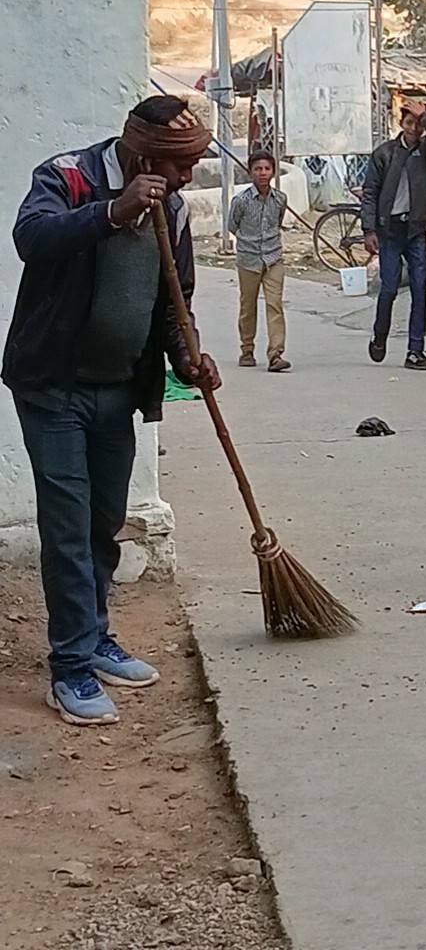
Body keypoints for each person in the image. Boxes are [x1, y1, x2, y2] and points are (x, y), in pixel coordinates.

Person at [3, 95, 222, 726]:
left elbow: (174, 302)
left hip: (118, 390)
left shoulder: (173, 210)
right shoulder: (68, 177)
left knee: (104, 522)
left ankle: (94, 637)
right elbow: (31, 238)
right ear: (145, 158)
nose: (188, 178)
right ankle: (70, 667)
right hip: (53, 388)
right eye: (180, 166)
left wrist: (188, 358)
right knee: (69, 528)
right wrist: (111, 212)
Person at [361, 99, 426, 371]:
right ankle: (380, 335)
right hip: (390, 230)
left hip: (416, 229)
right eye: (409, 122)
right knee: (389, 288)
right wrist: (369, 229)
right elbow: (370, 193)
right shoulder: (384, 153)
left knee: (419, 289)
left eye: (418, 124)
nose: (414, 128)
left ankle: (415, 350)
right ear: (401, 123)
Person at [229, 149, 290, 372]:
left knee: (275, 305)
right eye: (258, 169)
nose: (262, 173)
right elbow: (232, 225)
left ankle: (276, 354)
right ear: (250, 172)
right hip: (249, 260)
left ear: (273, 172)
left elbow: (278, 222)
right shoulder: (241, 201)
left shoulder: (280, 199)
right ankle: (247, 349)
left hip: (273, 258)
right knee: (248, 305)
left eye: (266, 169)